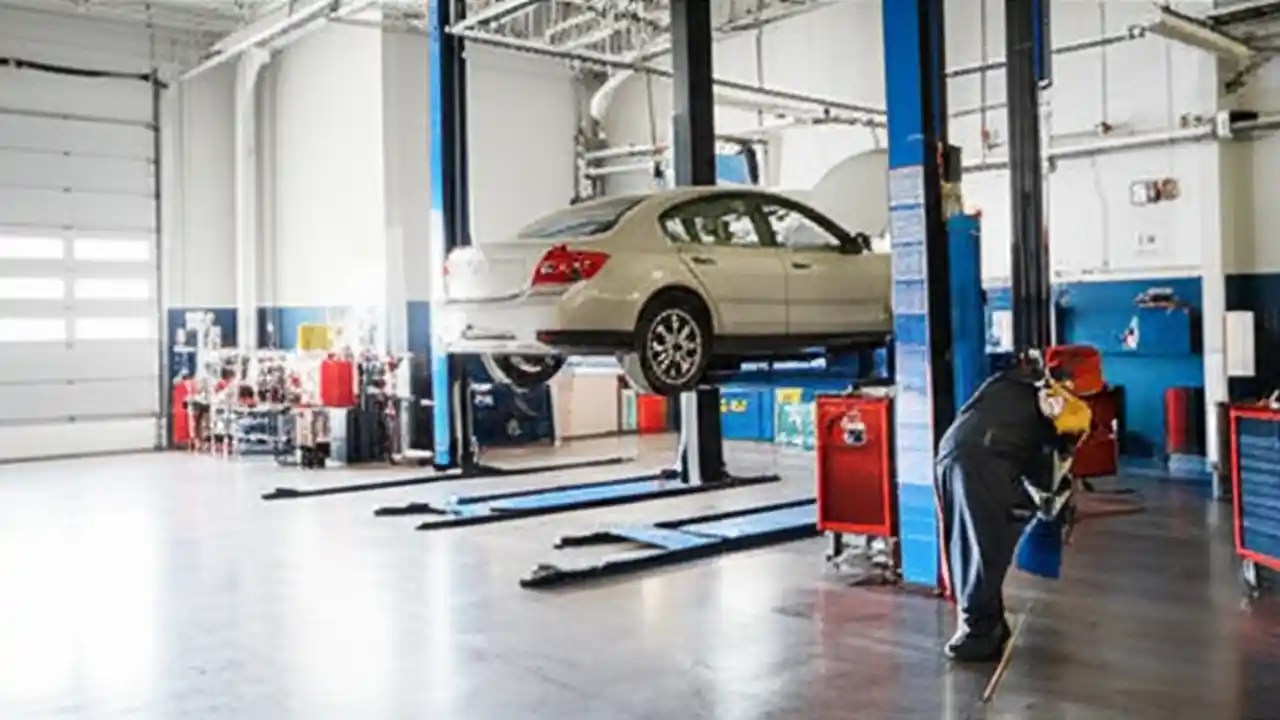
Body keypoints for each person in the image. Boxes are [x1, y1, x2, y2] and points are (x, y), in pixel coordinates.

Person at [934, 357, 1085, 662]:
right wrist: (1054, 504)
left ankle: (990, 624)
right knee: (985, 547)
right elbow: (1049, 467)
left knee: (969, 543)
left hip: (953, 453)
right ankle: (979, 634)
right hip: (982, 461)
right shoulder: (1062, 406)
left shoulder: (1006, 383)